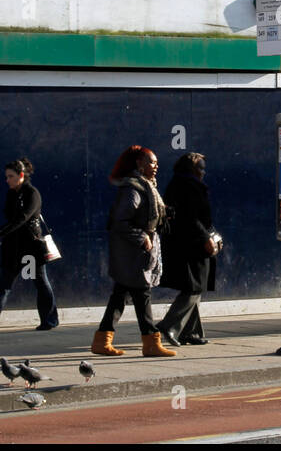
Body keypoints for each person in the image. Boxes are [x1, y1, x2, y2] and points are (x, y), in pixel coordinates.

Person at [91, 145, 175, 358]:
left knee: (121, 296)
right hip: (133, 254)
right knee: (141, 294)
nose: (155, 166)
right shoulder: (133, 189)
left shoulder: (146, 186)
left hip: (134, 254)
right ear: (139, 164)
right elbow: (121, 221)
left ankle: (102, 340)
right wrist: (142, 237)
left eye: (156, 162)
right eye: (151, 162)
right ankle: (150, 343)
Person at [0, 157, 60, 333]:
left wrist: (0, 233)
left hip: (30, 248)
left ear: (21, 175)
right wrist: (0, 232)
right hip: (14, 247)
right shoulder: (12, 194)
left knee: (40, 282)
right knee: (5, 284)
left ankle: (49, 319)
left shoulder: (32, 193)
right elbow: (12, 219)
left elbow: (23, 218)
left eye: (11, 176)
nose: (7, 180)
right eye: (6, 176)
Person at [157, 152, 218, 347]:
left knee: (195, 285)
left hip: (188, 242)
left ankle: (189, 332)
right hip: (190, 244)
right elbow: (190, 218)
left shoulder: (181, 183)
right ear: (191, 168)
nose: (203, 172)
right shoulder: (187, 186)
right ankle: (169, 325)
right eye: (200, 167)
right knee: (194, 286)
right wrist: (205, 238)